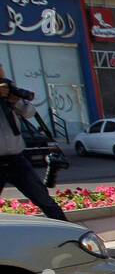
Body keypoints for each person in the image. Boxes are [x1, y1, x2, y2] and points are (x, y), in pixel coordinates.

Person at [0, 69, 68, 221]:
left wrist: (15, 100)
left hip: (16, 160)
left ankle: (69, 234)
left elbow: (29, 112)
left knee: (44, 199)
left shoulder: (8, 92)